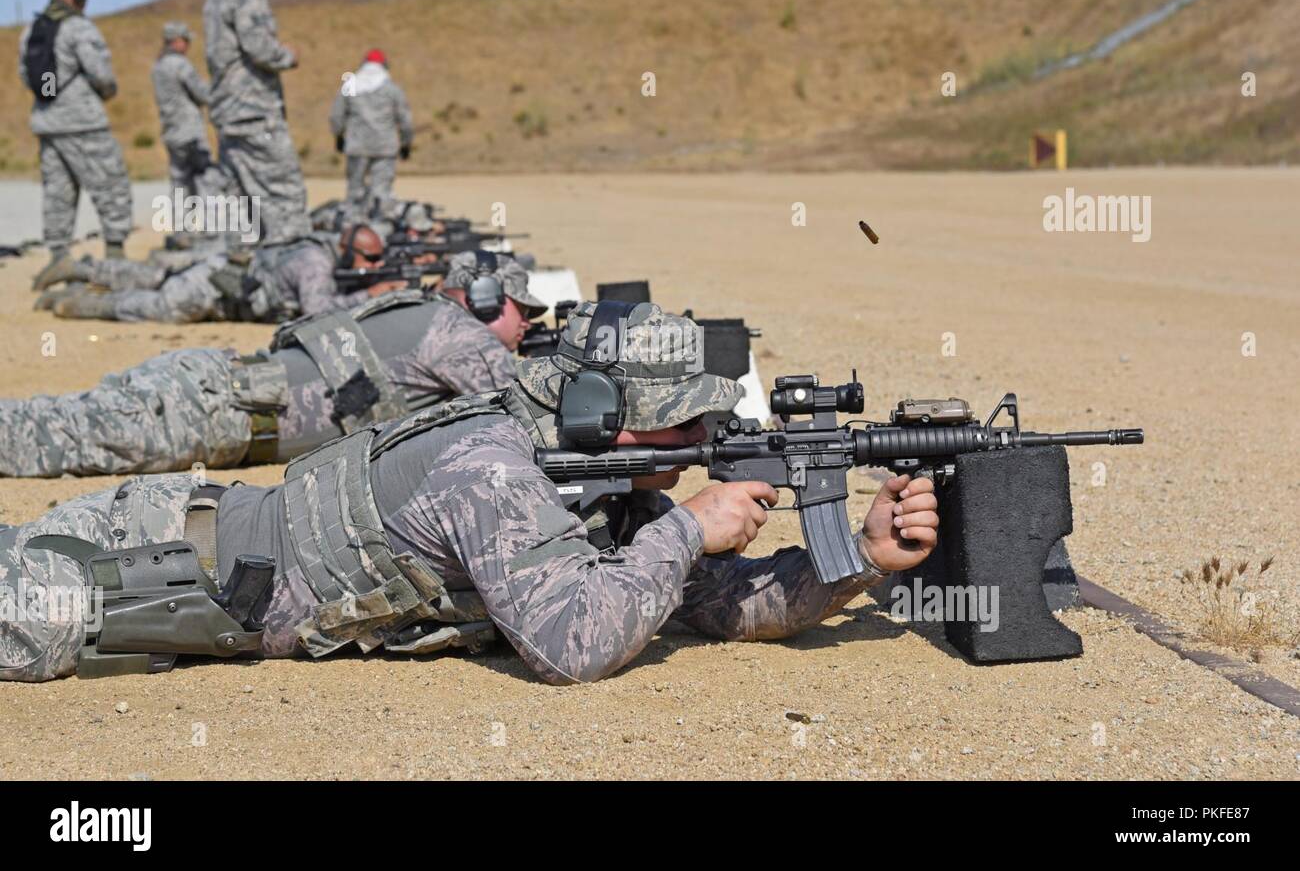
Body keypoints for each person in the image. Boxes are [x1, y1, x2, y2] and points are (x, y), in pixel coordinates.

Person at [0, 302, 939, 685]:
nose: (700, 443)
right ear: (606, 414)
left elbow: (710, 603)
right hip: (164, 564)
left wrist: (851, 559)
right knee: (29, 626)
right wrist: (692, 525)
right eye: (680, 427)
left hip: (204, 570)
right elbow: (576, 641)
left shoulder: (586, 479)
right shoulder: (492, 466)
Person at [1, 252, 542, 478]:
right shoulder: (459, 334)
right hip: (213, 411)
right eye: (524, 311)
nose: (527, 327)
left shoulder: (419, 310)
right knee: (51, 438)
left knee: (57, 421)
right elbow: (530, 417)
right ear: (488, 297)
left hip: (211, 390)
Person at [19, 0, 132, 285]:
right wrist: (106, 92)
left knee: (58, 193)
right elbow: (101, 74)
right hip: (84, 123)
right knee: (112, 186)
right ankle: (116, 259)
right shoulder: (79, 29)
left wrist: (51, 99)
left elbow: (27, 76)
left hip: (47, 123)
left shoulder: (32, 30)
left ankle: (58, 259)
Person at [44, 226, 408, 323]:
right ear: (350, 249)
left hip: (228, 273)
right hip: (220, 286)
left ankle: (82, 268)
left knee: (155, 276)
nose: (375, 266)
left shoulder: (329, 246)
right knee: (160, 307)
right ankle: (75, 302)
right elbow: (318, 312)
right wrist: (373, 294)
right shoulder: (316, 262)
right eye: (371, 258)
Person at [202, 0, 308, 246]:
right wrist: (288, 55)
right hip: (253, 110)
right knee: (285, 191)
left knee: (240, 199)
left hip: (229, 112)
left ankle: (239, 269)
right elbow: (258, 47)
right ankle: (294, 268)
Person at [329, 49, 413, 222]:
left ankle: (353, 230)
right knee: (381, 193)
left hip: (357, 146)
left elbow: (337, 115)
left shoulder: (351, 86)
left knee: (354, 192)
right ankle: (379, 229)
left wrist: (339, 136)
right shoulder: (391, 89)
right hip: (385, 147)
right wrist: (406, 143)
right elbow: (404, 119)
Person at [151, 21, 224, 202]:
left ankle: (182, 226)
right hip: (189, 131)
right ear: (176, 41)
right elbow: (203, 94)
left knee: (180, 180)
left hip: (172, 131)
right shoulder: (181, 65)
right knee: (205, 176)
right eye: (185, 40)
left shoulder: (158, 67)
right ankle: (213, 225)